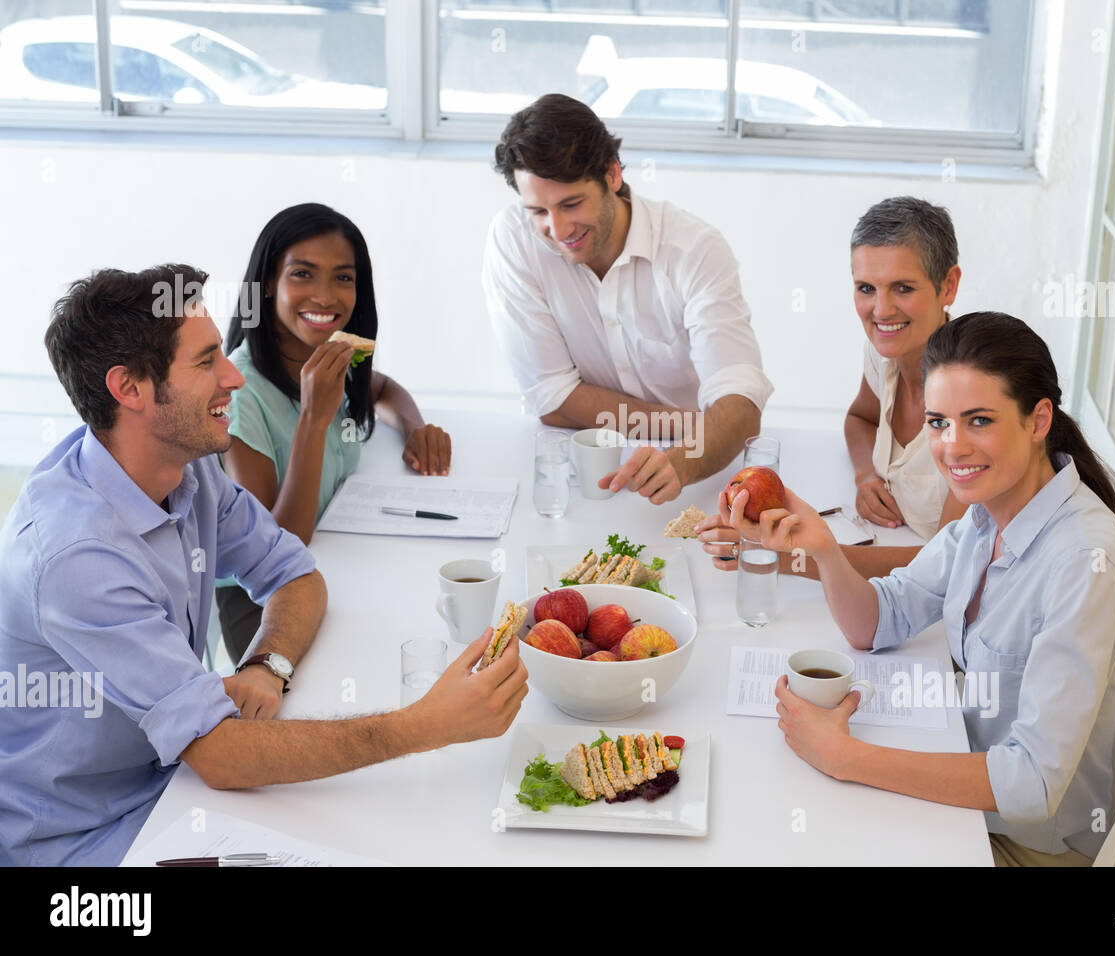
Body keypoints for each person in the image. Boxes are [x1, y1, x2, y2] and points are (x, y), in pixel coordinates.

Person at [0, 266, 525, 866]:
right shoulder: (77, 557)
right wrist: (424, 725)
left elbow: (295, 574)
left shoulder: (183, 463)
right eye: (204, 363)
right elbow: (222, 757)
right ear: (130, 390)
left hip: (171, 785)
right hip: (79, 843)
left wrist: (267, 664)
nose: (233, 378)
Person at [723, 312, 1115, 866]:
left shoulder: (1082, 565)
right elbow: (878, 622)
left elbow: (1032, 785)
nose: (952, 447)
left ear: (1038, 419)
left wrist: (845, 755)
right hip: (960, 782)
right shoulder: (987, 514)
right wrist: (825, 549)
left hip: (1020, 846)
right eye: (938, 421)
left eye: (978, 420)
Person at [483, 93, 773, 505]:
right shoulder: (514, 238)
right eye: (539, 211)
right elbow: (554, 401)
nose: (558, 228)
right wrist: (695, 425)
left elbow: (740, 409)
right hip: (580, 473)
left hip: (695, 474)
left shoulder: (694, 250)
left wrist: (683, 458)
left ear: (613, 174)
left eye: (571, 204)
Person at [218, 203, 452, 662]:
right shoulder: (241, 393)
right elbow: (277, 543)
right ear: (268, 284)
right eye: (303, 274)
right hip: (265, 606)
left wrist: (413, 426)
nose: (325, 296)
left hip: (336, 563)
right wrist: (313, 419)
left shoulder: (326, 354)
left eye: (343, 278)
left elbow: (380, 388)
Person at [697, 196, 967, 579]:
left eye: (903, 288)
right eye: (866, 288)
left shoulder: (972, 403)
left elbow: (945, 565)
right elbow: (860, 417)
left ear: (948, 286)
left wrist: (776, 556)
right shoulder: (887, 352)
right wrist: (866, 476)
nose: (882, 310)